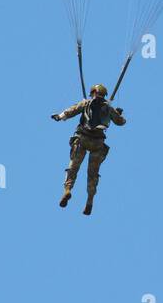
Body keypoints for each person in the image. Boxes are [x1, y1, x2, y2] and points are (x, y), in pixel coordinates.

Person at [51, 84, 126, 215]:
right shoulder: (108, 107)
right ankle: (90, 201)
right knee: (93, 174)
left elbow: (72, 111)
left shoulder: (86, 103)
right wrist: (119, 114)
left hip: (82, 139)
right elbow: (121, 122)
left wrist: (59, 116)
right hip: (97, 144)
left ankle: (67, 189)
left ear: (92, 93)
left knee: (73, 167)